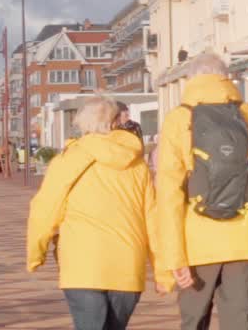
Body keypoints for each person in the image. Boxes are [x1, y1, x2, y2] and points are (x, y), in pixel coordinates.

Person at [155, 53, 248, 330]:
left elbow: (168, 193)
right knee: (239, 320)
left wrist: (173, 257)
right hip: (245, 238)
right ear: (227, 78)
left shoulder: (179, 119)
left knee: (193, 320)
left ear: (190, 80)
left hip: (196, 242)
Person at [27, 97, 157, 330]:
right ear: (116, 122)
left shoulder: (67, 160)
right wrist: (163, 269)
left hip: (81, 265)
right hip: (127, 265)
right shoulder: (137, 165)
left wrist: (36, 253)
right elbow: (154, 220)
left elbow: (44, 209)